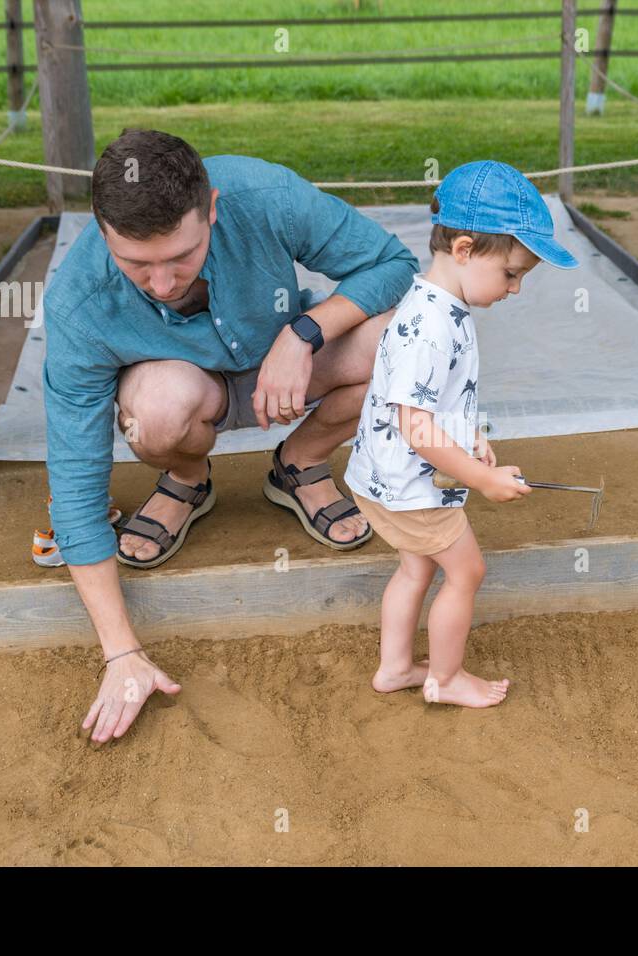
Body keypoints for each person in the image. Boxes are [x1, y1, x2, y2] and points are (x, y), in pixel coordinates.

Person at [41, 129, 419, 742]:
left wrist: (304, 334)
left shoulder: (264, 192)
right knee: (154, 412)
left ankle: (300, 461)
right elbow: (76, 481)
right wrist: (121, 654)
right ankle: (187, 478)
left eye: (181, 257)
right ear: (102, 228)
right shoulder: (76, 303)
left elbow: (394, 264)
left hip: (286, 362)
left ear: (212, 209)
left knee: (408, 343)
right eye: (136, 263)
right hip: (182, 394)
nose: (163, 283)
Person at [343, 161, 579, 708]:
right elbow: (416, 426)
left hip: (391, 478)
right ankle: (445, 679)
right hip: (412, 486)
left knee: (416, 566)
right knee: (468, 570)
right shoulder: (429, 326)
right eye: (512, 273)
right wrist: (484, 479)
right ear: (466, 250)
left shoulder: (441, 306)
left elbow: (435, 400)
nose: (516, 289)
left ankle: (396, 667)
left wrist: (472, 439)